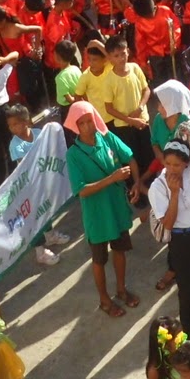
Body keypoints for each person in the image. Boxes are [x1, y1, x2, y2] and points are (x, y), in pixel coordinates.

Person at [62, 101, 140, 317]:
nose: (88, 126)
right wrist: (112, 178)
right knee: (98, 260)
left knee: (120, 250)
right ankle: (105, 300)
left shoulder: (107, 138)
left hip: (117, 208)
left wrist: (135, 183)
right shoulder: (74, 154)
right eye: (82, 123)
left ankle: (121, 290)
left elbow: (130, 158)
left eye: (90, 120)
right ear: (75, 126)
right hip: (97, 216)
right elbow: (81, 190)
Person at [149, 137, 190, 341]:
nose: (172, 169)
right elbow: (168, 224)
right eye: (167, 163)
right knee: (187, 291)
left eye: (177, 164)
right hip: (181, 241)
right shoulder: (158, 187)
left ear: (187, 163)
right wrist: (175, 193)